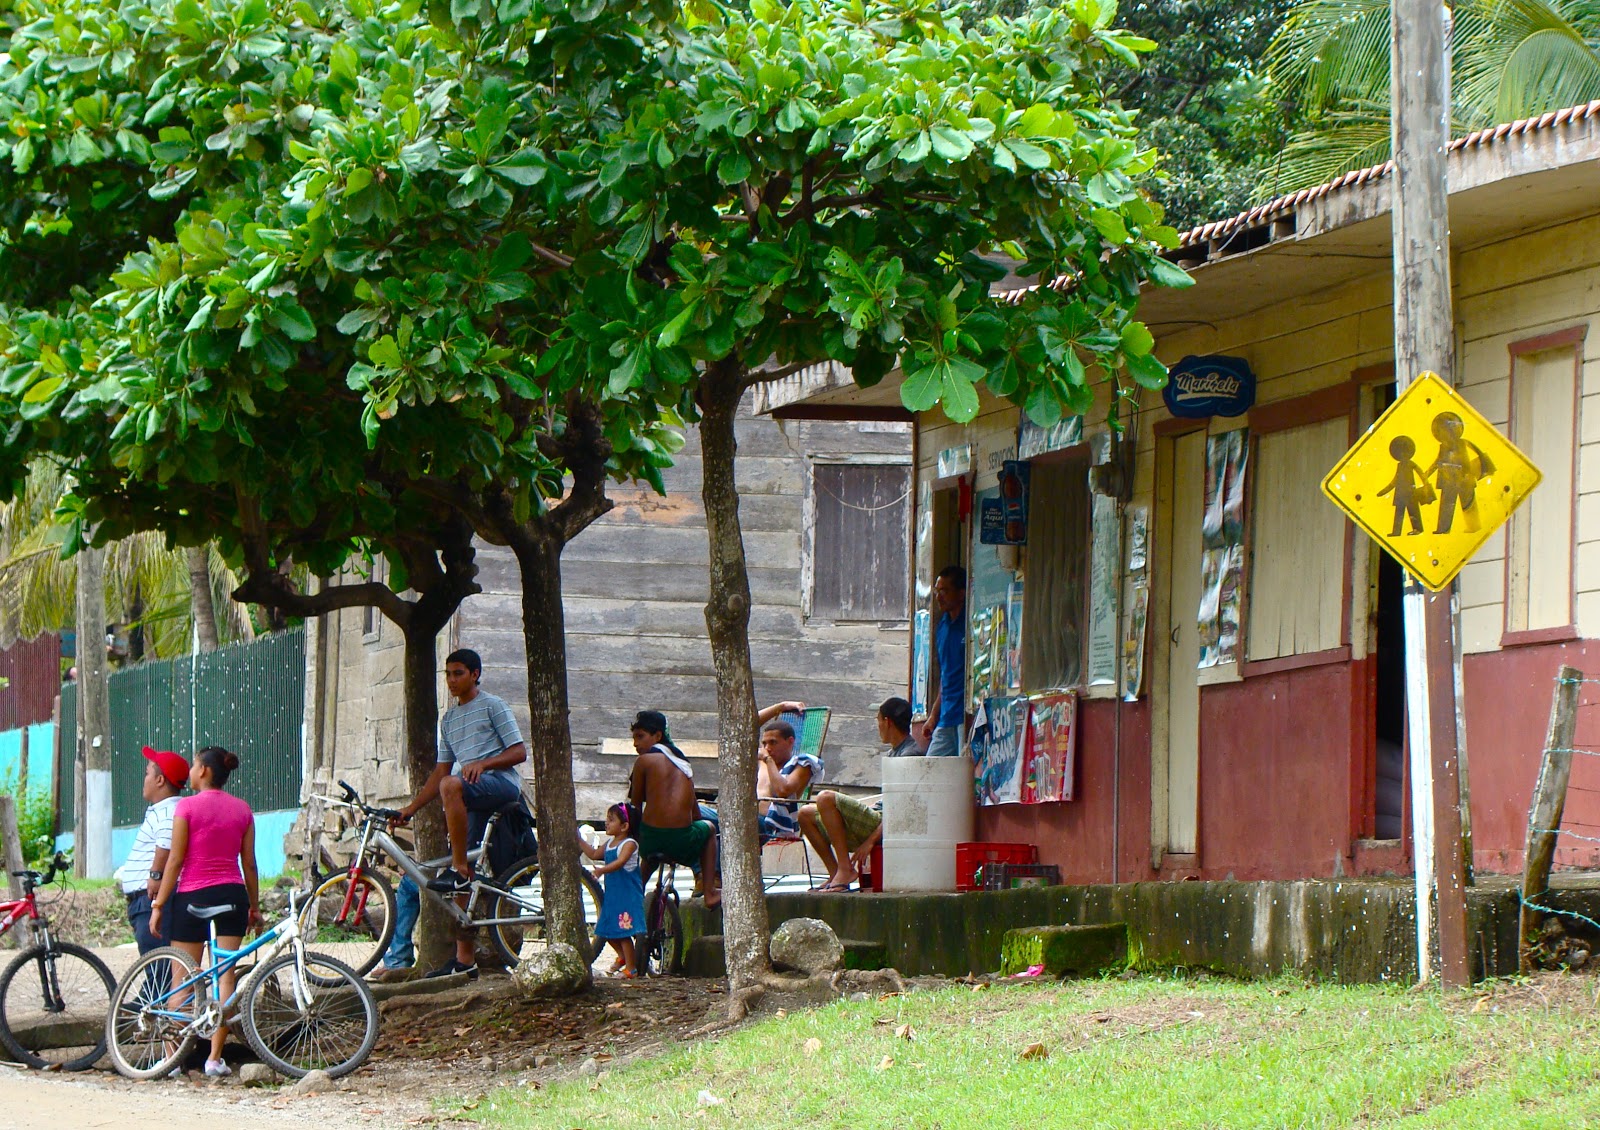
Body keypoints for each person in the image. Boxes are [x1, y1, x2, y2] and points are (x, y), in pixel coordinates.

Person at [394, 648, 527, 979]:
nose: (452, 680)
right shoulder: (449, 720)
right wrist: (410, 809)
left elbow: (519, 752)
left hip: (501, 786)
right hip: (470, 795)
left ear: (475, 674)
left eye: (459, 673)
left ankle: (458, 866)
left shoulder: (493, 705)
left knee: (453, 790)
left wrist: (484, 763)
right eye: (448, 674)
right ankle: (464, 961)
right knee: (465, 879)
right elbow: (440, 772)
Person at [149, 746, 258, 1079]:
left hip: (192, 897)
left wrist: (158, 904)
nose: (191, 771)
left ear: (205, 771)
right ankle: (213, 1058)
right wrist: (254, 905)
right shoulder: (242, 810)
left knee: (181, 976)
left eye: (194, 765)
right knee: (225, 976)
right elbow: (249, 864)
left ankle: (173, 1059)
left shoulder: (187, 807)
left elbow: (176, 861)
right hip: (231, 896)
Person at [797, 697, 914, 891]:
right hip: (879, 816)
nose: (878, 727)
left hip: (887, 824)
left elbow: (901, 808)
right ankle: (836, 874)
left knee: (825, 797)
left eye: (878, 721)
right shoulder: (895, 752)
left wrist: (870, 842)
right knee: (805, 814)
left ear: (887, 722)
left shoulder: (910, 754)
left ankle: (846, 869)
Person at [627, 710, 720, 908]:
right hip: (681, 840)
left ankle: (631, 906)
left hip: (651, 840)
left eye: (640, 736)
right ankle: (710, 892)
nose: (636, 743)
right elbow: (695, 814)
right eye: (634, 737)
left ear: (657, 736)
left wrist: (634, 840)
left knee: (649, 856)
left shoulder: (643, 761)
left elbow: (635, 807)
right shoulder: (683, 764)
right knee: (709, 828)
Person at [115, 746, 188, 956]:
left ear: (160, 781)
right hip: (144, 901)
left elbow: (166, 840)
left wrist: (155, 874)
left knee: (158, 973)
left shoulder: (169, 811)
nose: (144, 779)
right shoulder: (165, 809)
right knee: (157, 971)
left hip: (151, 899)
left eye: (148, 773)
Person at [579, 802, 644, 978]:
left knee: (623, 932)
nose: (606, 823)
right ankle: (622, 956)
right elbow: (593, 854)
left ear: (624, 826)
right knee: (605, 929)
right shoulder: (609, 844)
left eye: (611, 820)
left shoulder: (629, 844)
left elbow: (620, 862)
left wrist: (601, 870)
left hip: (627, 895)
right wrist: (578, 839)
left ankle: (631, 969)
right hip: (613, 896)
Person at [919, 565, 967, 757]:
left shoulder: (969, 624)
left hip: (967, 716)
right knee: (932, 769)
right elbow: (946, 676)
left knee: (966, 773)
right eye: (937, 591)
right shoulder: (943, 627)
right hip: (947, 716)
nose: (939, 597)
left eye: (945, 591)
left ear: (961, 593)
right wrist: (933, 716)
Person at [755, 707, 822, 843]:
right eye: (764, 744)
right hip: (747, 818)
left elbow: (783, 791)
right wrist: (781, 706)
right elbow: (745, 726)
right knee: (705, 824)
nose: (767, 748)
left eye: (773, 742)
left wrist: (768, 760)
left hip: (770, 826)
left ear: (790, 741)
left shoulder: (802, 764)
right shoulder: (760, 759)